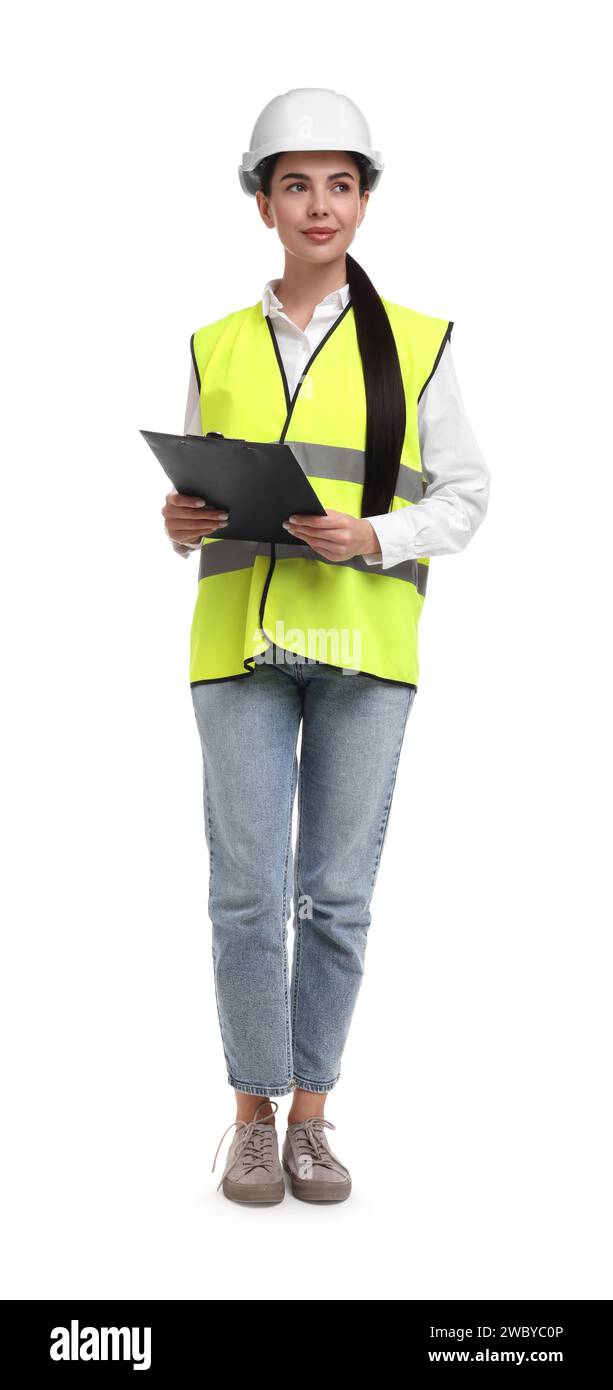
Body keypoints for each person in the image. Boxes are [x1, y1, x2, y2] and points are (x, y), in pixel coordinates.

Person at [161, 88, 490, 1205]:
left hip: (365, 643)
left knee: (336, 897)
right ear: (262, 202)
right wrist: (178, 522)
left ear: (363, 200)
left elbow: (465, 497)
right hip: (237, 647)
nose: (319, 204)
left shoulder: (421, 342)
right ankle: (249, 1112)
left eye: (340, 184)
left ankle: (311, 1116)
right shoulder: (212, 344)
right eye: (294, 183)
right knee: (248, 893)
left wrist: (375, 534)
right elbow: (198, 492)